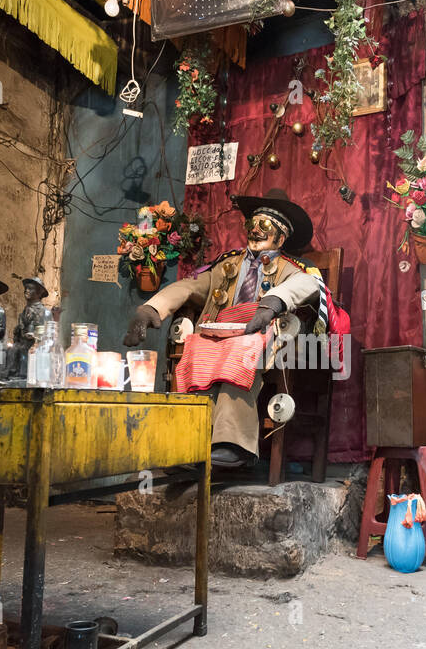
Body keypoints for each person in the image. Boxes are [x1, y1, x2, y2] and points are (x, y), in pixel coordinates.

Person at [123, 189, 323, 468]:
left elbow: (309, 285)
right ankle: (190, 441)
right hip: (218, 331)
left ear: (281, 236)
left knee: (241, 349)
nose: (255, 230)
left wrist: (273, 301)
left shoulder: (291, 268)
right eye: (251, 224)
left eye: (264, 225)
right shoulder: (227, 264)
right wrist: (151, 309)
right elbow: (193, 286)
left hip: (257, 334)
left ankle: (233, 444)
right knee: (196, 347)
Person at [9, 277, 50, 379]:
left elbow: (48, 336)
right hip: (21, 344)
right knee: (11, 350)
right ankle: (13, 374)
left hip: (35, 348)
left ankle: (23, 375)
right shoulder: (24, 311)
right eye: (26, 288)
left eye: (30, 288)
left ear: (39, 293)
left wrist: (35, 336)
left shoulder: (45, 312)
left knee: (24, 351)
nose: (27, 290)